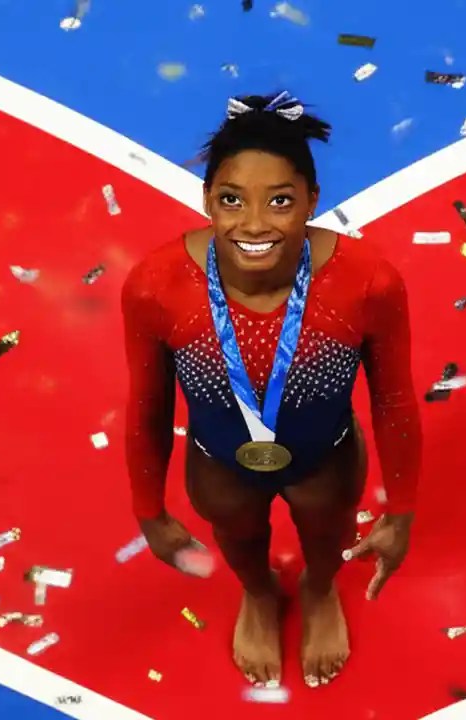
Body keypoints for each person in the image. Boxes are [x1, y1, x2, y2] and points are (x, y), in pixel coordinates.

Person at [121, 92, 422, 689]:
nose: (254, 224)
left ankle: (316, 589)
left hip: (327, 459)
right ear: (207, 199)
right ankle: (259, 594)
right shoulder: (157, 287)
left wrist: (403, 511)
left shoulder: (367, 283)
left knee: (326, 535)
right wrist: (149, 512)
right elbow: (147, 406)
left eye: (280, 201)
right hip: (218, 465)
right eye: (232, 200)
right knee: (238, 535)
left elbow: (394, 400)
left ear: (313, 201)